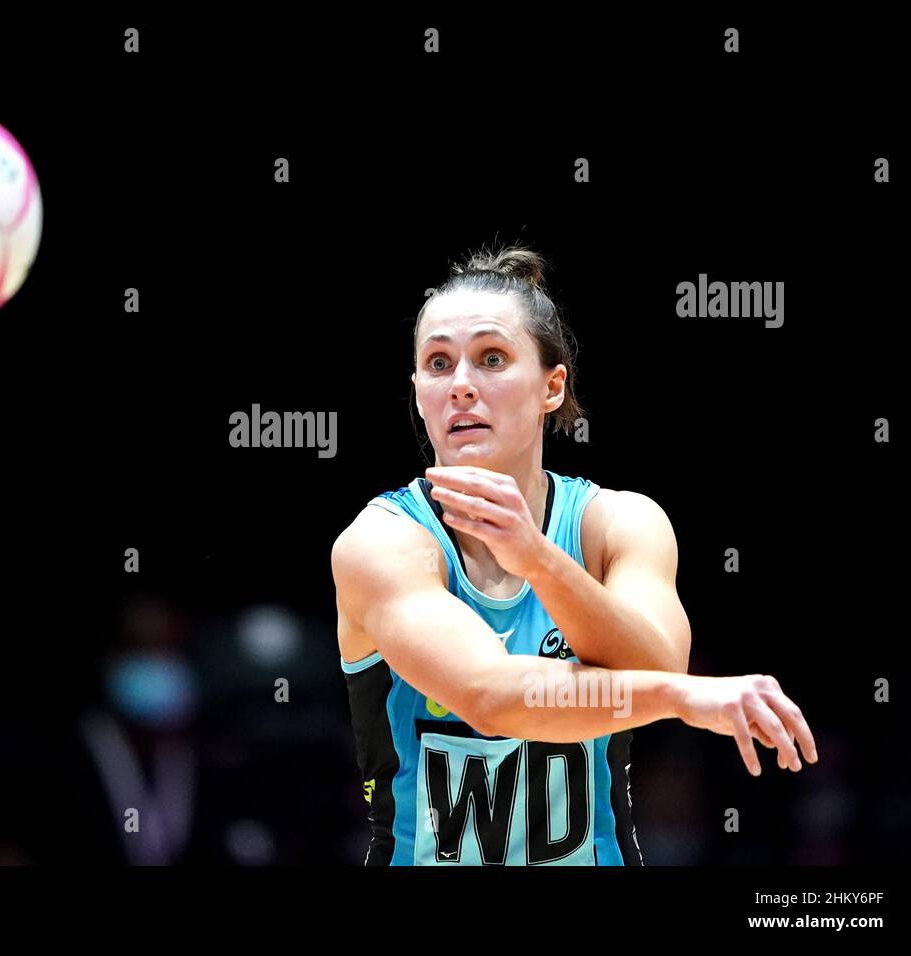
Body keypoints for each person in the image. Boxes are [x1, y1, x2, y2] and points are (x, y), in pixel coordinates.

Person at [331, 243, 816, 866]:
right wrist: (679, 697)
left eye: (492, 359)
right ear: (418, 389)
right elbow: (490, 698)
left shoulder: (618, 523)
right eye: (437, 364)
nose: (460, 387)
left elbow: (657, 661)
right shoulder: (383, 542)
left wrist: (538, 560)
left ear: (552, 387)